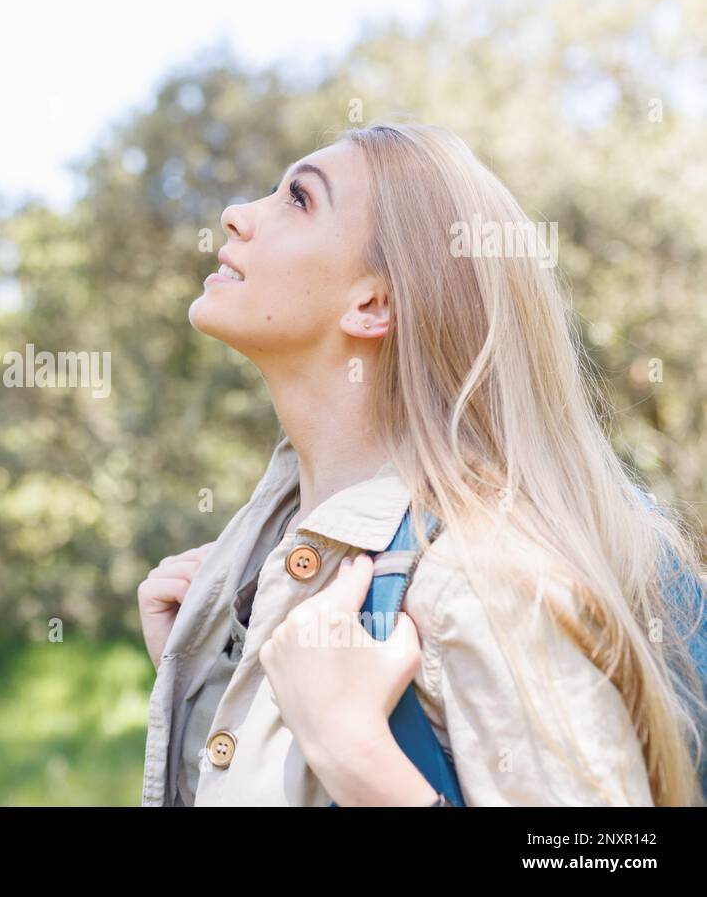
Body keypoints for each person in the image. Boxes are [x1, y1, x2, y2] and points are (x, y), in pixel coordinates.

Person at [138, 122, 707, 806]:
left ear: (372, 304)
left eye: (298, 199)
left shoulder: (482, 578)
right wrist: (212, 678)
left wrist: (358, 756)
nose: (236, 214)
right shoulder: (265, 560)